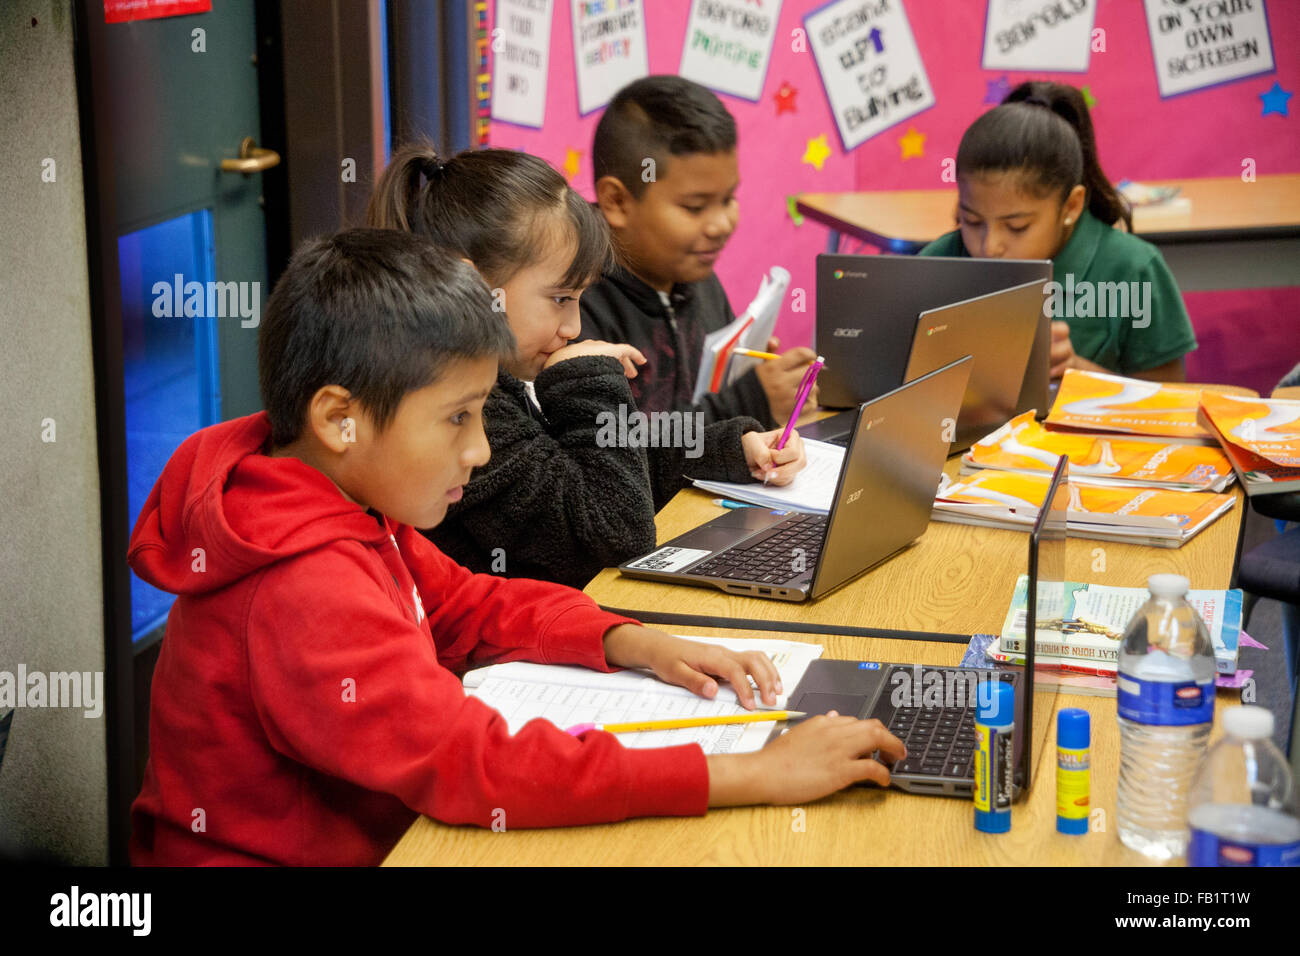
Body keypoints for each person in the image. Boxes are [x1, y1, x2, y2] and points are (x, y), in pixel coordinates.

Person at [127, 229, 905, 866]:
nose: (478, 451)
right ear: (340, 419)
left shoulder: (344, 501)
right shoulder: (302, 583)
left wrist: (629, 640)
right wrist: (748, 774)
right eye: (458, 419)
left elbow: (466, 603)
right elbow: (475, 766)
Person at [367, 143, 806, 588]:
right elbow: (615, 533)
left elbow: (613, 463)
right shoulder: (461, 410)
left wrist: (731, 449)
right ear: (475, 288)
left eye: (578, 301)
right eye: (560, 299)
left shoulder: (495, 382)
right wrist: (587, 382)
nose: (572, 327)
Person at [581, 75, 820, 425]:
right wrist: (748, 402)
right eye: (695, 207)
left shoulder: (693, 275)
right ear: (617, 201)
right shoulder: (572, 305)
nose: (720, 224)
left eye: (728, 199)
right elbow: (612, 448)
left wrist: (751, 384)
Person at [919, 81, 1196, 382]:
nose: (990, 246)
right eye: (971, 221)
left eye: (1016, 227)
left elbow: (1168, 403)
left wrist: (1077, 369)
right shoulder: (938, 264)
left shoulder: (1132, 269)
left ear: (1071, 207)